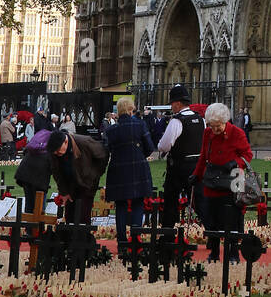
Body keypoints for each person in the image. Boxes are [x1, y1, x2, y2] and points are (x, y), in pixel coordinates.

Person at [192, 102, 253, 263]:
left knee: (231, 219)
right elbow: (203, 156)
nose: (215, 130)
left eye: (218, 126)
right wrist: (196, 175)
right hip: (212, 180)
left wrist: (235, 163)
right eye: (212, 126)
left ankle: (233, 254)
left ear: (225, 121)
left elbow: (247, 155)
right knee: (211, 219)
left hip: (231, 181)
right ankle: (214, 253)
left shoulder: (237, 133)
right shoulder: (207, 133)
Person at [102, 97, 156, 253]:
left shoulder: (112, 130)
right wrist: (139, 155)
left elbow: (109, 149)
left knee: (121, 205)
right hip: (138, 168)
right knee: (138, 202)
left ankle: (122, 242)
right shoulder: (140, 125)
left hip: (118, 169)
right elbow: (150, 147)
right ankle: (135, 240)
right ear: (131, 109)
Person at [157, 86, 206, 228]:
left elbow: (164, 146)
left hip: (179, 166)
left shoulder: (177, 121)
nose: (171, 106)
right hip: (197, 165)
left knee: (171, 201)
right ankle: (213, 234)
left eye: (172, 103)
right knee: (200, 201)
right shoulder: (200, 119)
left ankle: (168, 235)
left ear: (178, 103)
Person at [47, 129, 109, 224]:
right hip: (70, 185)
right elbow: (57, 173)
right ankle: (70, 237)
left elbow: (103, 154)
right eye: (54, 151)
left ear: (66, 141)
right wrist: (64, 192)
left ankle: (83, 238)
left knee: (83, 217)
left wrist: (94, 174)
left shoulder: (85, 143)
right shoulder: (55, 152)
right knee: (69, 216)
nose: (56, 153)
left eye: (58, 149)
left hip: (87, 185)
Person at [15, 128, 52, 235]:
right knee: (39, 206)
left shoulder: (36, 147)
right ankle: (37, 231)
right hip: (39, 180)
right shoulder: (49, 150)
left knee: (29, 204)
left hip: (25, 176)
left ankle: (29, 230)